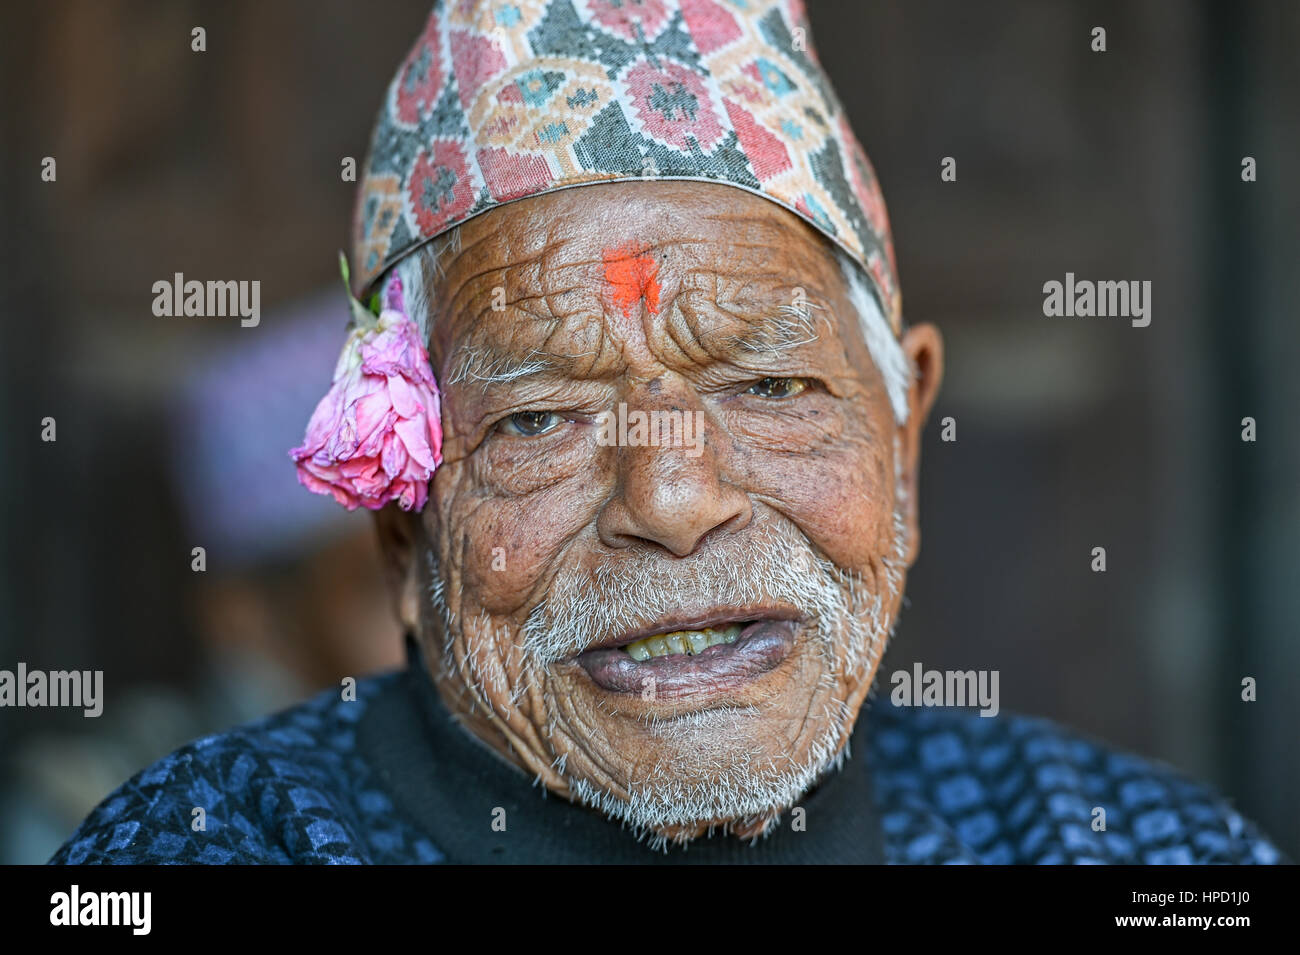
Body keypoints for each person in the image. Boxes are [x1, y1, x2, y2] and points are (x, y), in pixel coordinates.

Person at [52, 0, 1282, 864]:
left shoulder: (1126, 847)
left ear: (902, 440)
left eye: (769, 388)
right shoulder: (204, 851)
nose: (674, 499)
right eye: (540, 418)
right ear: (401, 530)